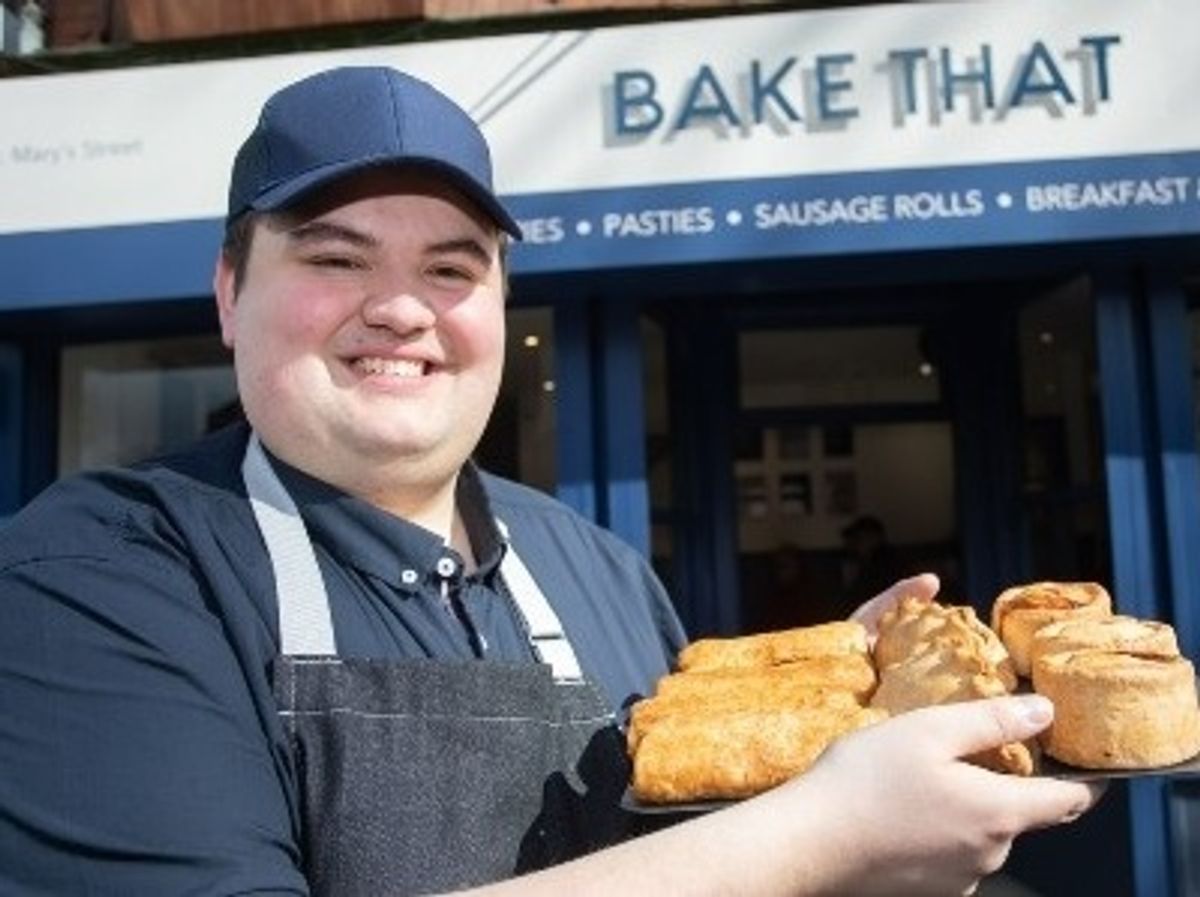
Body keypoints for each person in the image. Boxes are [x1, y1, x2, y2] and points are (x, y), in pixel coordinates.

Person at [0, 66, 1100, 897]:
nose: (401, 307)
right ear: (229, 292)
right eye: (336, 258)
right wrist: (824, 830)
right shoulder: (95, 578)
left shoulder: (598, 569)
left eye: (451, 267)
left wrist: (823, 740)